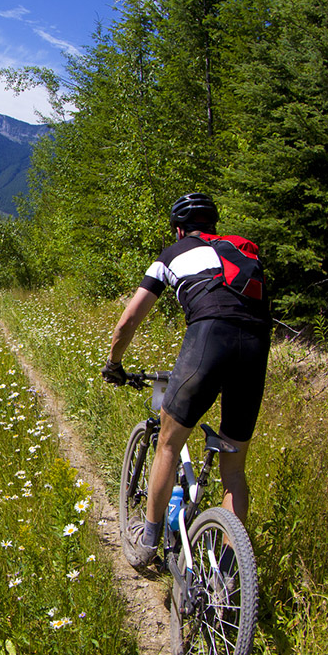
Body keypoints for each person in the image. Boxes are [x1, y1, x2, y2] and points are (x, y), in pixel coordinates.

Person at [101, 193, 271, 567]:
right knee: (234, 470)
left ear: (179, 229)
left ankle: (147, 541)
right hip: (257, 344)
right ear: (213, 226)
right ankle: (228, 574)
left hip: (209, 338)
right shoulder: (239, 252)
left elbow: (129, 320)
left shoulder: (170, 255)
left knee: (168, 443)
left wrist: (114, 364)